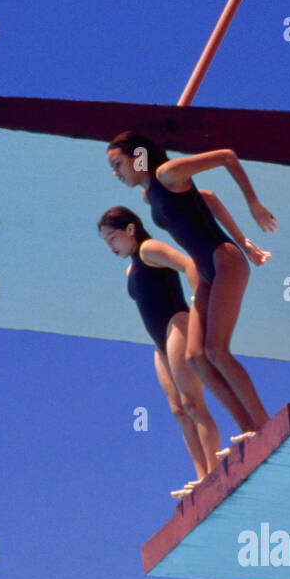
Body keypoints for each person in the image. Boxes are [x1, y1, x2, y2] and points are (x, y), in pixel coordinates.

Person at [106, 131, 275, 440]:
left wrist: (252, 207)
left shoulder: (168, 173)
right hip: (208, 271)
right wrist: (247, 243)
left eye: (118, 164)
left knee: (216, 350)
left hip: (225, 262)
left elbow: (226, 155)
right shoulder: (149, 195)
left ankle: (264, 424)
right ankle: (248, 430)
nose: (116, 174)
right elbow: (206, 199)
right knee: (195, 357)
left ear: (139, 156)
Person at [98, 206, 221, 497]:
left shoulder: (148, 249)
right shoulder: (131, 268)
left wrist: (200, 309)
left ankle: (215, 472)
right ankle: (202, 476)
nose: (110, 246)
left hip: (177, 324)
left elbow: (189, 265)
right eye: (106, 242)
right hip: (159, 343)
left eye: (113, 237)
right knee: (179, 411)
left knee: (193, 402)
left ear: (130, 229)